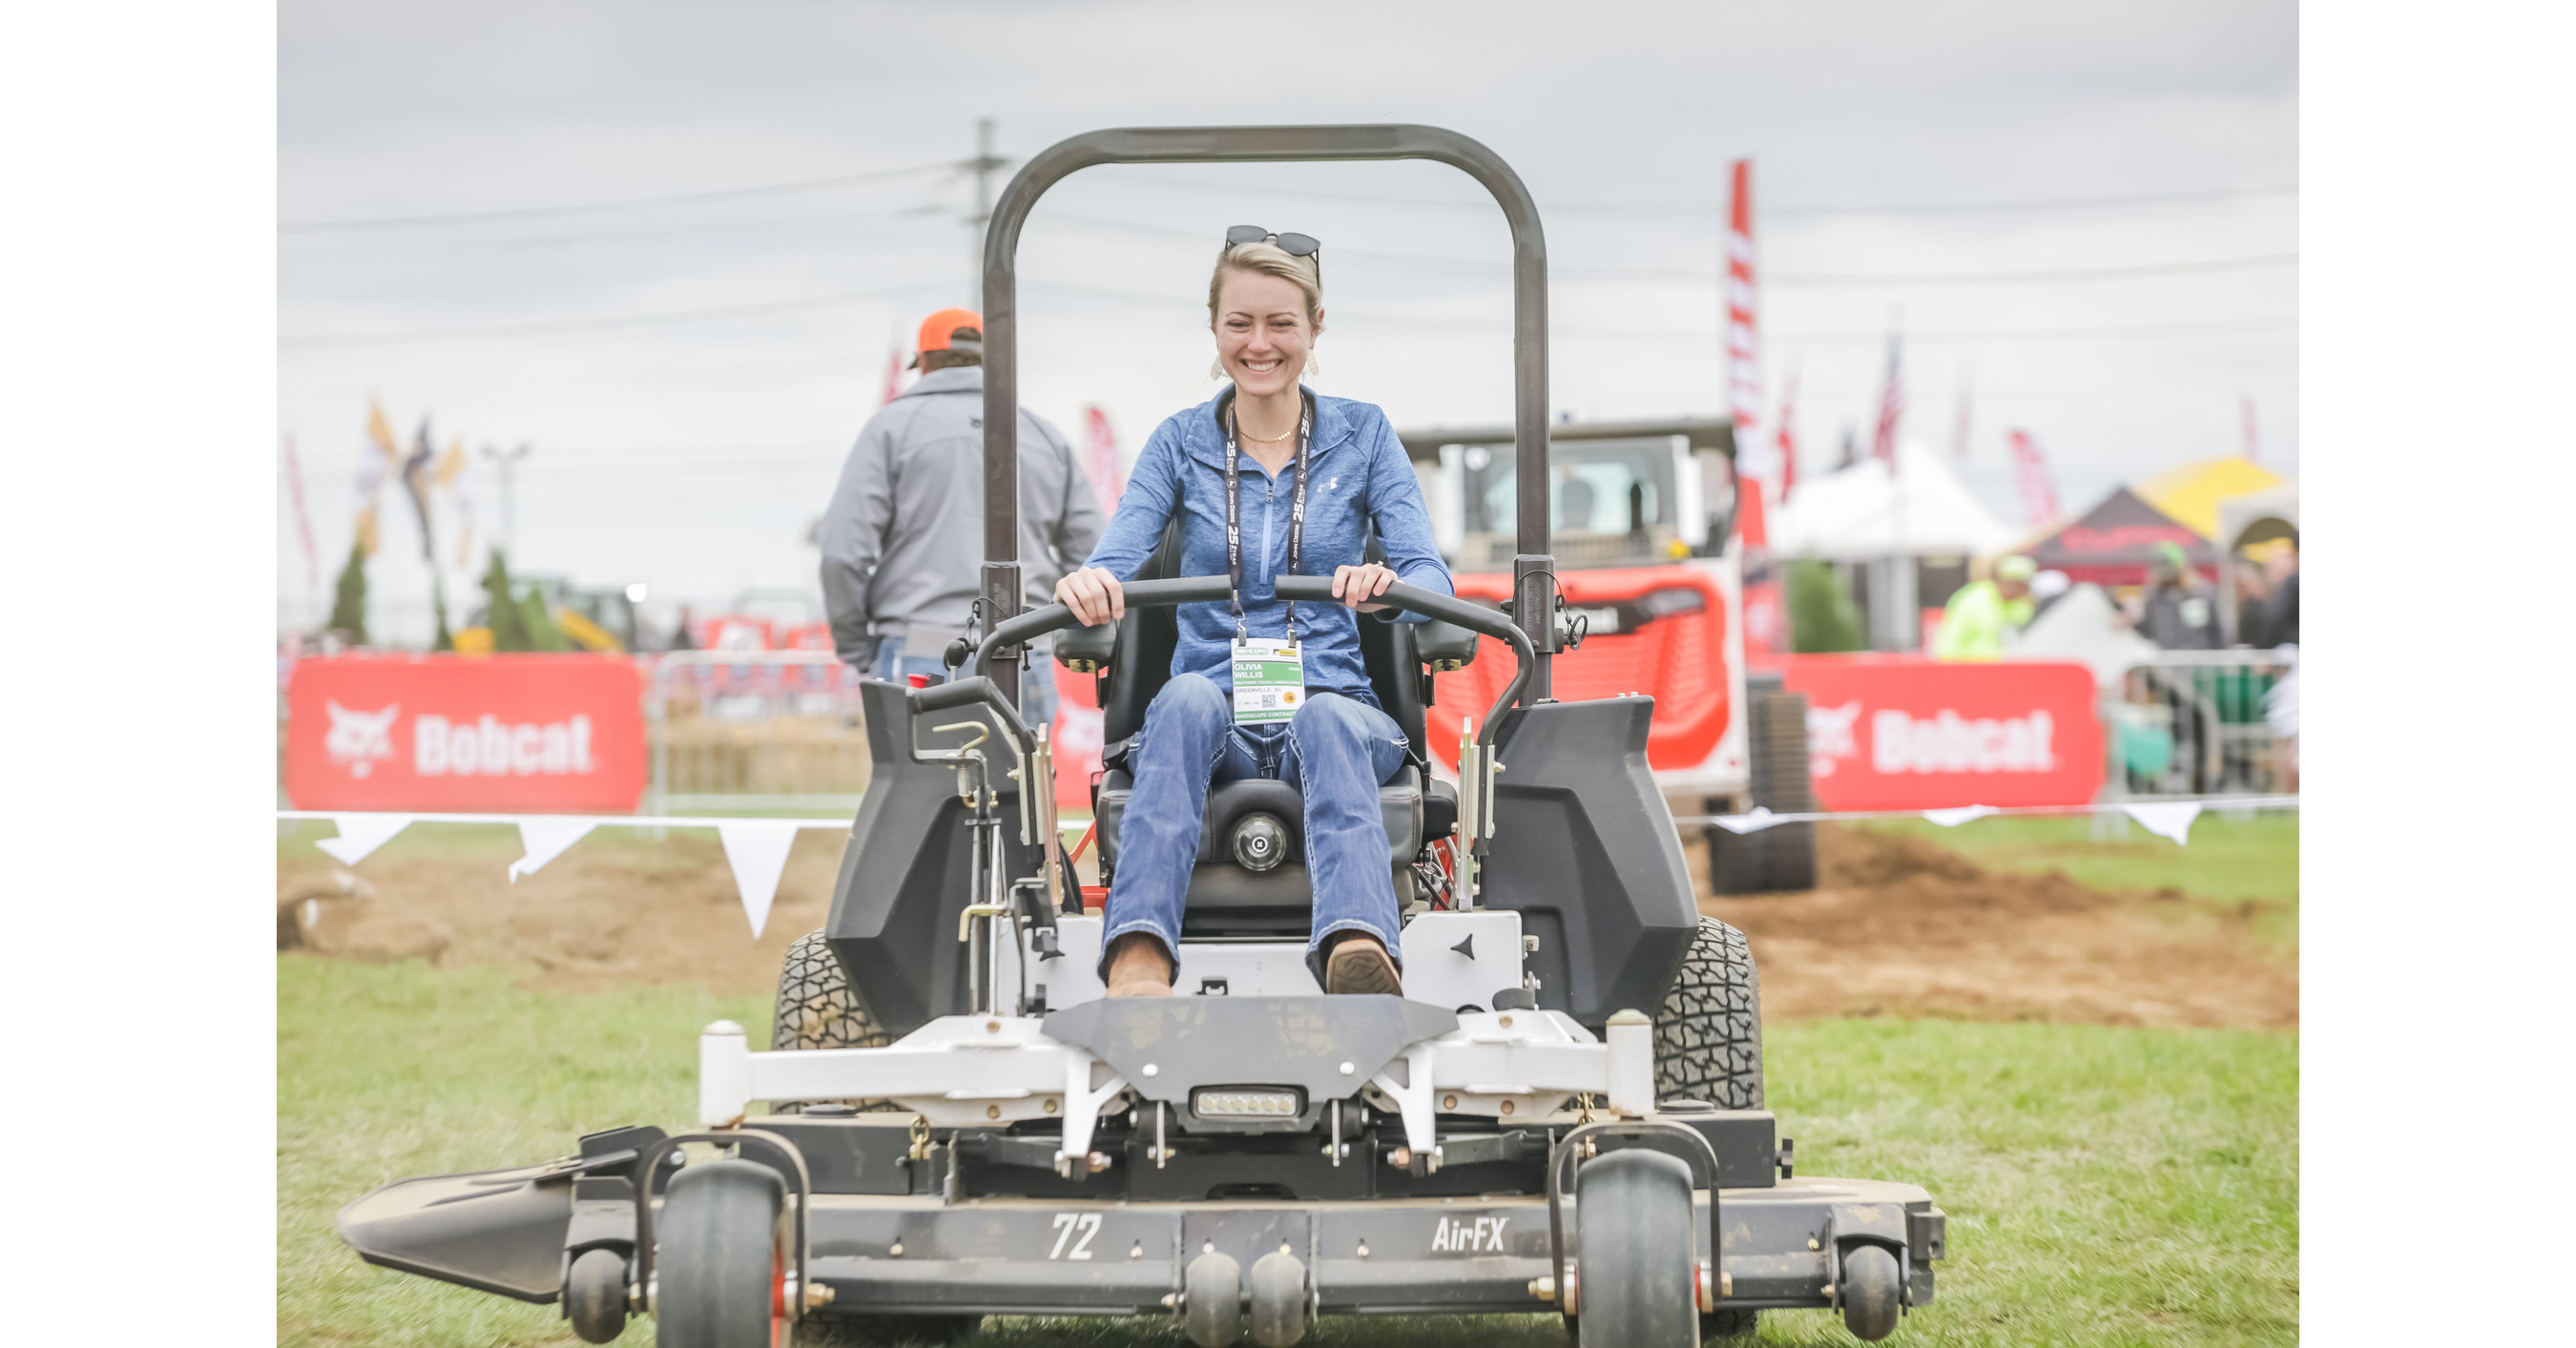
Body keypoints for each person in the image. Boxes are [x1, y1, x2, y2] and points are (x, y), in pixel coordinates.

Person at [1053, 228, 1453, 999]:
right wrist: (1092, 581)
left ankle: (1358, 945)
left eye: (1280, 323)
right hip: (1216, 719)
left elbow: (1427, 573)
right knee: (1184, 697)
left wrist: (1390, 584)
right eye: (1240, 323)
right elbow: (1118, 550)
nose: (1259, 343)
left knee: (1327, 717)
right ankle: (1139, 952)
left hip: (1335, 708)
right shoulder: (1179, 442)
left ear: (1315, 327)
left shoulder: (1364, 434)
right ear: (1215, 327)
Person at [819, 307, 1103, 732]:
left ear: (924, 363)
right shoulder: (1043, 435)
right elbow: (1093, 555)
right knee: (1021, 774)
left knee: (922, 776)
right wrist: (1050, 631)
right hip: (1027, 652)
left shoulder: (890, 429)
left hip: (922, 651)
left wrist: (856, 647)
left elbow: (843, 552)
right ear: (993, 359)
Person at [1931, 553, 2036, 660]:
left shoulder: (2021, 605)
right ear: (2001, 580)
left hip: (2006, 667)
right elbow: (1950, 640)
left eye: (2025, 586)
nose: (2022, 590)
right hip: (1972, 667)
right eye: (2018, 585)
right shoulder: (1974, 599)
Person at [2131, 540, 2222, 650]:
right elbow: (2149, 632)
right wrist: (2135, 621)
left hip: (2198, 658)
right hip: (2167, 658)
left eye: (2164, 564)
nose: (2161, 570)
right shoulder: (2154, 598)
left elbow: (2217, 633)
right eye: (2157, 564)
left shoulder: (2200, 595)